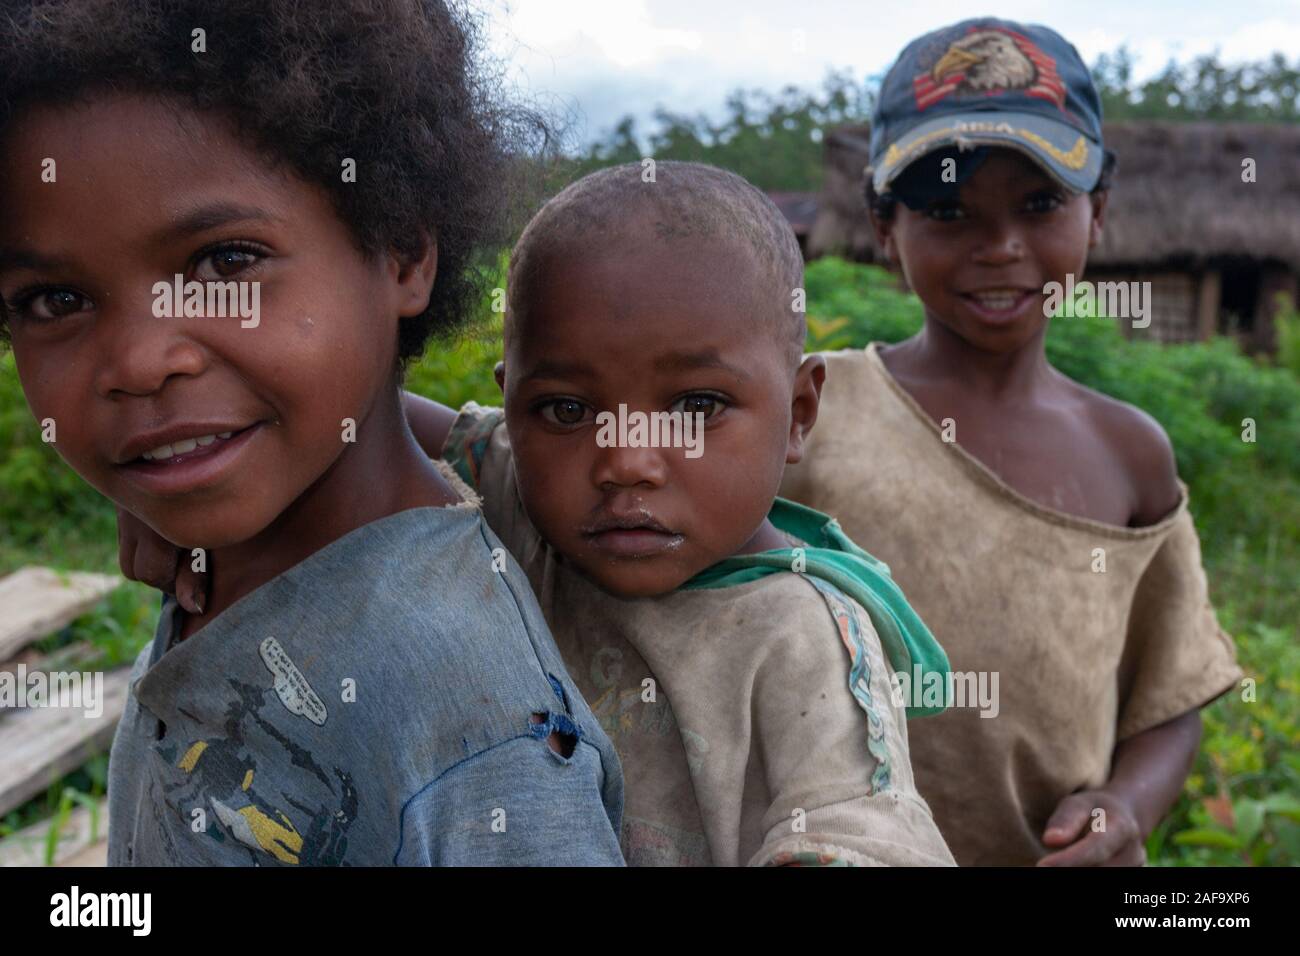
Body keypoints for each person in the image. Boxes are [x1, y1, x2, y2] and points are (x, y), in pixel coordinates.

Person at [0, 0, 623, 866]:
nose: (139, 363)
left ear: (401, 251)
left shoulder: (464, 718)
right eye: (55, 301)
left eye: (225, 262)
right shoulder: (237, 548)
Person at [780, 16, 1242, 866]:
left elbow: (1170, 696)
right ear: (885, 229)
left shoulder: (1128, 454)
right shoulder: (807, 411)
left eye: (1040, 205)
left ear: (1096, 213)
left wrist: (1124, 807)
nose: (1001, 247)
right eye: (949, 211)